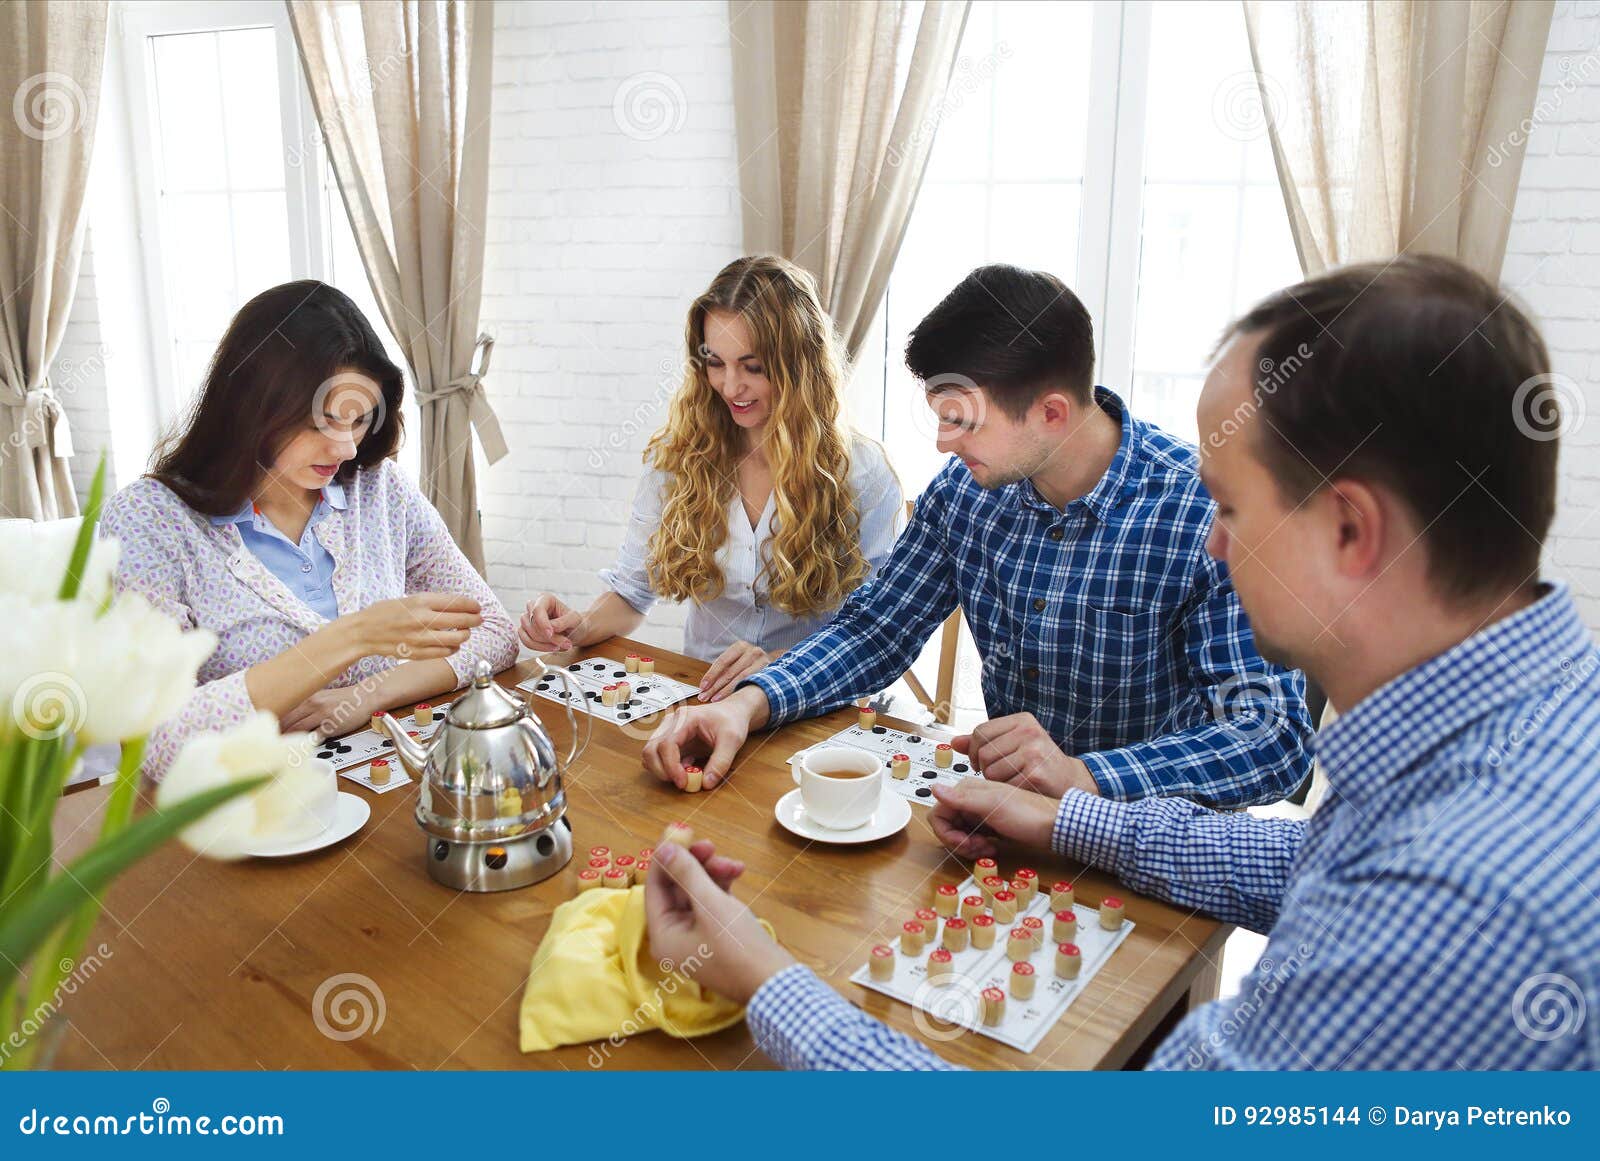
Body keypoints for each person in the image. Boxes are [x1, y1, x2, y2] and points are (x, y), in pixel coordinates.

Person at [644, 254, 1600, 1070]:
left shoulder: (1457, 908)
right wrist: (1074, 821)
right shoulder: (1510, 727)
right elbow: (1316, 853)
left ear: (1350, 528)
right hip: (1028, 862)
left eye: (1231, 507)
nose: (1216, 543)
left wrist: (764, 978)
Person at [643, 264, 1311, 805]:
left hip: (1152, 854)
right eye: (938, 416)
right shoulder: (966, 494)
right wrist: (749, 706)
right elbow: (875, 632)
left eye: (961, 420)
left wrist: (1086, 778)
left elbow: (1270, 738)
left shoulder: (1202, 513)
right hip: (1002, 826)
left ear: (1051, 413)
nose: (941, 442)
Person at [101, 281, 518, 778]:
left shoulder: (376, 489)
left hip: (383, 790)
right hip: (246, 818)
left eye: (359, 421)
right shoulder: (151, 520)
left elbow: (493, 632)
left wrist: (365, 696)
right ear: (250, 407)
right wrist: (351, 637)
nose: (345, 449)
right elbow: (153, 738)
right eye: (321, 424)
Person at [516, 255, 901, 704]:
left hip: (815, 699)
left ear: (801, 365)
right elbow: (631, 591)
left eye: (753, 367)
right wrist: (575, 626)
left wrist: (781, 660)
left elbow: (874, 629)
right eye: (716, 363)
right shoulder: (680, 459)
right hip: (705, 693)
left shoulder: (863, 473)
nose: (730, 386)